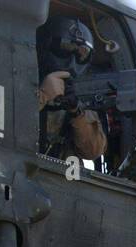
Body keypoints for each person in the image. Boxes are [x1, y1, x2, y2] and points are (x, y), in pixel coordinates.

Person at [36, 16, 108, 165]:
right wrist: (41, 96)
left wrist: (76, 112)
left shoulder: (81, 102)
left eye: (81, 54)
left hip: (57, 179)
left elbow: (93, 150)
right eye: (64, 49)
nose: (71, 61)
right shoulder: (18, 81)